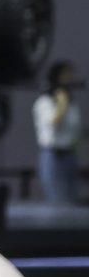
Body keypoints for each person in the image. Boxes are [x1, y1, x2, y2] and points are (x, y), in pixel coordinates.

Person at [33, 60, 83, 205]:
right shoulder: (45, 102)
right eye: (66, 74)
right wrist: (61, 104)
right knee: (57, 201)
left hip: (70, 155)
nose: (70, 78)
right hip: (54, 156)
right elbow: (53, 124)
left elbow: (75, 129)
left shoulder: (72, 103)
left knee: (72, 198)